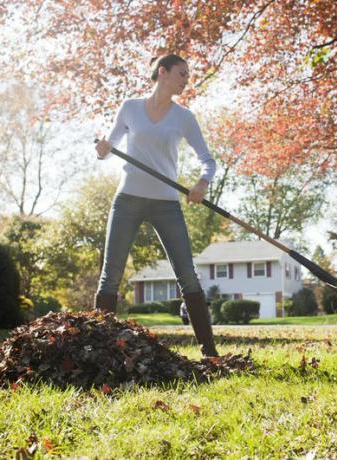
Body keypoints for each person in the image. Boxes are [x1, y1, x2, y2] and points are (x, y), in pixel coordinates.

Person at [94, 54, 218, 357]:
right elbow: (108, 150)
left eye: (187, 75)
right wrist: (102, 150)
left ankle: (210, 352)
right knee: (111, 275)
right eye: (181, 73)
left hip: (166, 203)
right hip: (128, 200)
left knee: (187, 275)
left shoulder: (184, 117)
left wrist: (201, 184)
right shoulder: (130, 108)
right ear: (162, 72)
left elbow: (208, 161)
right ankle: (96, 347)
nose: (185, 79)